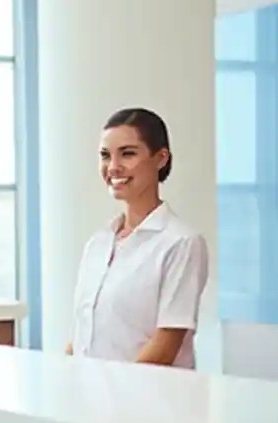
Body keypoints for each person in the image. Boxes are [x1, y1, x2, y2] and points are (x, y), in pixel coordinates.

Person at [67, 108, 209, 368]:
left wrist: (117, 391)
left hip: (148, 392)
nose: (113, 167)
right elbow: (80, 336)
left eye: (128, 154)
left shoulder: (181, 243)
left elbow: (165, 346)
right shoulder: (98, 243)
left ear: (161, 158)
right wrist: (65, 378)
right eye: (105, 155)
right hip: (90, 391)